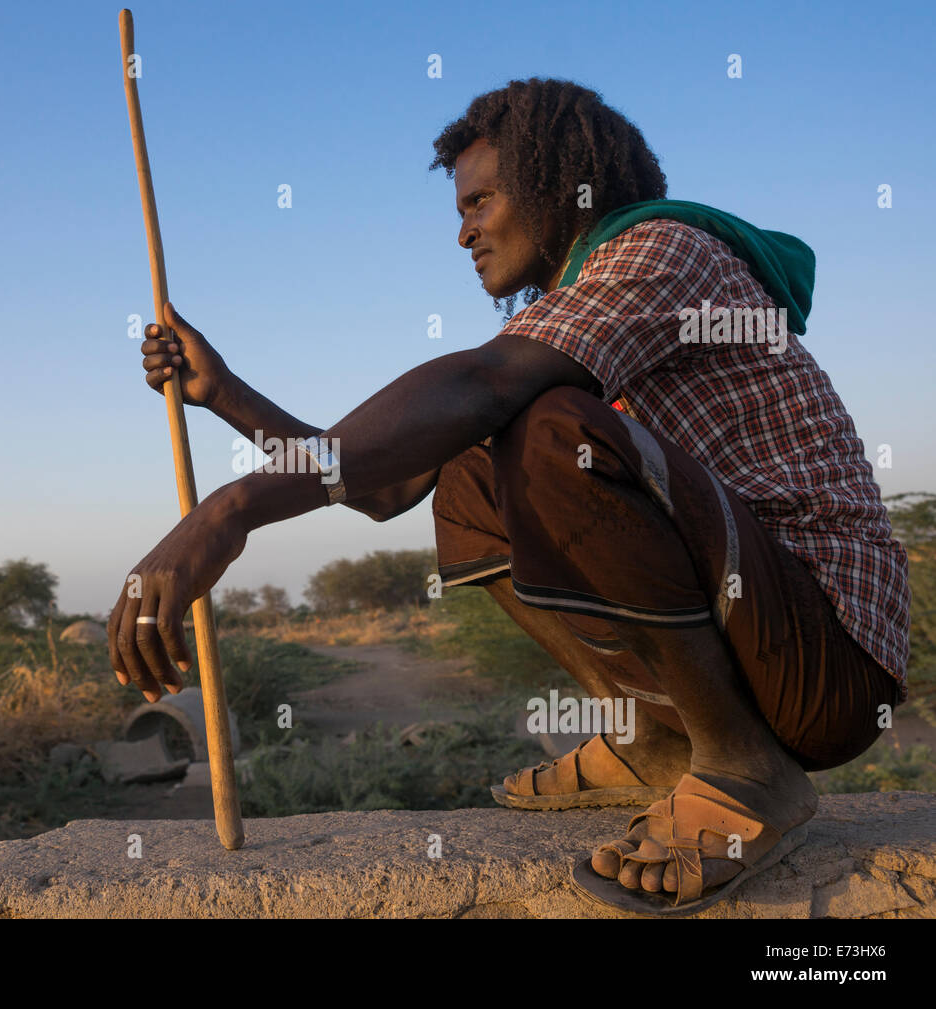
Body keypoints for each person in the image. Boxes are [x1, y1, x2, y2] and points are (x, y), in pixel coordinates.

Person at [107, 77, 910, 915]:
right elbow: (392, 486)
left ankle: (744, 765)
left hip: (830, 662)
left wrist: (228, 510)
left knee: (546, 429)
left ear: (563, 185)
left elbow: (482, 385)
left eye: (481, 201)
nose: (463, 233)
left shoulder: (664, 249)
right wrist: (225, 392)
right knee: (470, 462)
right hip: (769, 642)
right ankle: (646, 739)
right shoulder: (571, 319)